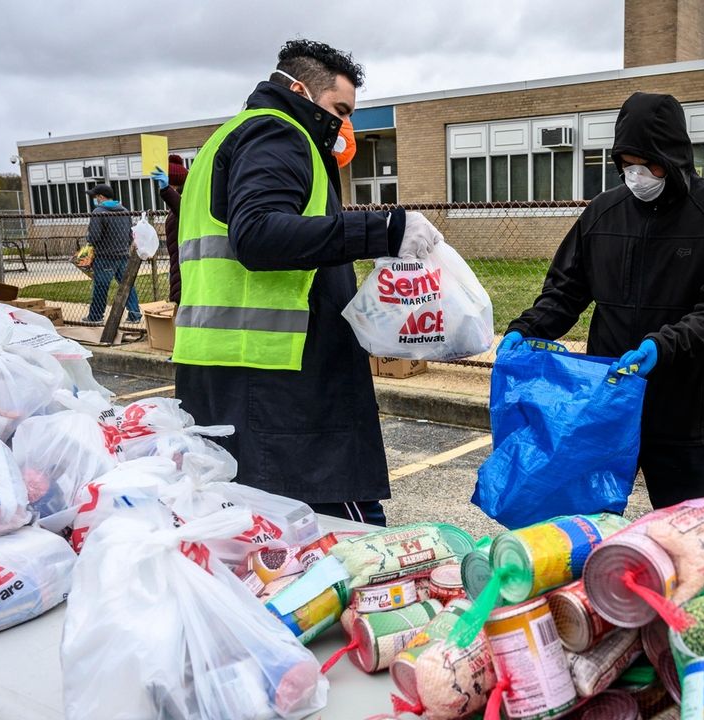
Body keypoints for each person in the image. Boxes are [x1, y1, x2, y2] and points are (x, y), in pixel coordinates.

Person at [171, 39, 442, 526]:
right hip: (280, 383)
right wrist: (383, 229)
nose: (345, 127)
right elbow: (259, 235)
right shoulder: (278, 134)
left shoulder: (228, 137)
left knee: (254, 537)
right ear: (299, 90)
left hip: (227, 370)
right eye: (339, 110)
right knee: (348, 537)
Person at [500, 92, 704, 509]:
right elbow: (565, 289)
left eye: (649, 163)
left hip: (684, 406)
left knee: (684, 530)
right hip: (610, 398)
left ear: (674, 157)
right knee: (586, 523)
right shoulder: (603, 212)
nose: (637, 175)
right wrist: (527, 328)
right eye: (627, 164)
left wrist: (664, 344)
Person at [83, 184, 141, 325]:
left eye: (95, 196)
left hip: (104, 256)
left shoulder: (99, 212)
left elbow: (95, 236)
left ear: (101, 197)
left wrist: (89, 239)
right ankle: (134, 315)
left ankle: (96, 316)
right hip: (122, 255)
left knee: (101, 287)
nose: (95, 199)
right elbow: (130, 235)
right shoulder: (124, 211)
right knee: (127, 285)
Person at [151, 153, 187, 303]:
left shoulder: (185, 203)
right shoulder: (176, 207)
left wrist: (166, 190)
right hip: (178, 265)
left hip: (183, 266)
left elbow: (183, 209)